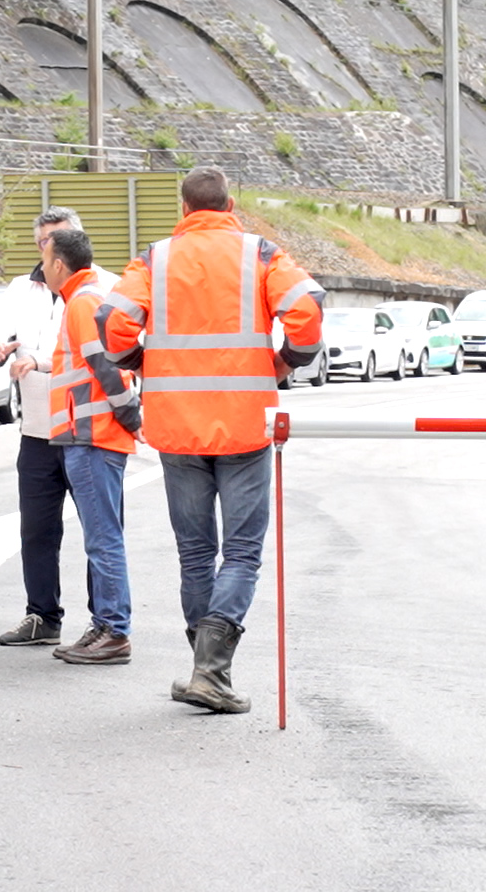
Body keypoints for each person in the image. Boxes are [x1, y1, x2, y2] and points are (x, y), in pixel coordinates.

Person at [100, 168, 324, 713]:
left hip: (177, 425)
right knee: (242, 552)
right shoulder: (259, 254)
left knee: (195, 553)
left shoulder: (156, 259)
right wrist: (282, 363)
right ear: (230, 205)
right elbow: (307, 312)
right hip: (245, 422)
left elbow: (112, 323)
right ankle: (211, 671)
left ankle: (204, 671)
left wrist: (142, 363)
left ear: (184, 208)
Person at [0, 207, 115, 648]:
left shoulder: (106, 286)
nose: (49, 252)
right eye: (42, 243)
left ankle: (105, 622)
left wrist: (39, 361)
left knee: (100, 531)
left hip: (87, 430)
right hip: (38, 428)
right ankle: (42, 615)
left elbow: (103, 354)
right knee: (37, 530)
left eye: (56, 241)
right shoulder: (22, 289)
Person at [43, 229, 142, 665]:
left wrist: (130, 415)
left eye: (45, 259)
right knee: (103, 537)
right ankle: (105, 626)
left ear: (59, 264)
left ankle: (114, 631)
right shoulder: (85, 299)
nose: (42, 268)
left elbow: (107, 366)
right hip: (91, 434)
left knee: (103, 539)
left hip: (92, 436)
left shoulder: (82, 302)